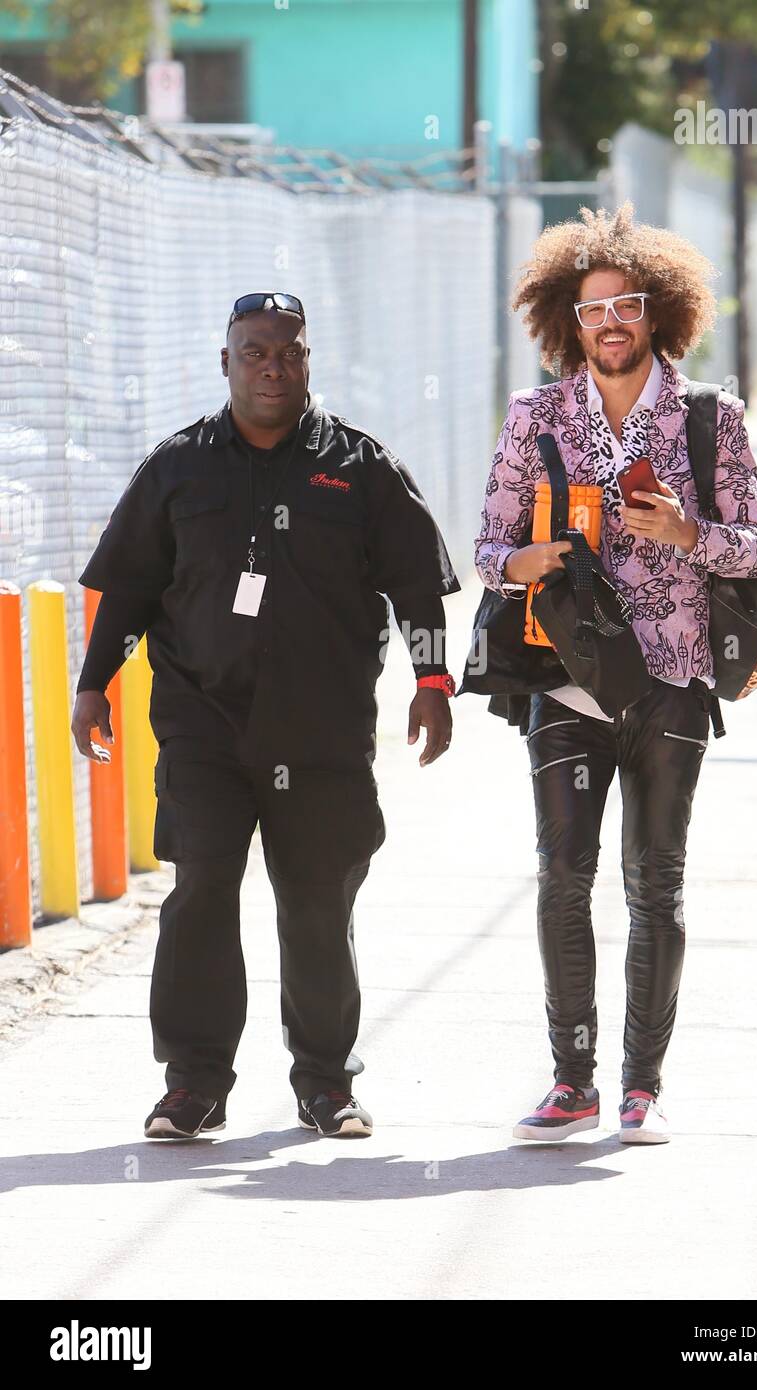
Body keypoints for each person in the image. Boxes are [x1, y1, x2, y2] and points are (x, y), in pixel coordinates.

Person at [72, 292, 459, 1140]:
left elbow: (416, 585)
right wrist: (93, 682)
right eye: (255, 353)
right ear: (226, 362)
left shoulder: (360, 467)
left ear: (309, 359)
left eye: (289, 352)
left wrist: (433, 680)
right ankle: (193, 1085)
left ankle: (325, 1081)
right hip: (203, 724)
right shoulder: (178, 468)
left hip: (322, 730)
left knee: (318, 903)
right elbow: (130, 588)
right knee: (202, 890)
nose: (273, 367)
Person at [474, 205, 757, 1144]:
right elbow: (487, 550)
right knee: (563, 877)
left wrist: (688, 534)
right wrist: (538, 557)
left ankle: (641, 1086)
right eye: (592, 309)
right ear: (568, 320)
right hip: (566, 684)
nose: (610, 323)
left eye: (628, 306)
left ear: (659, 314)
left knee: (657, 884)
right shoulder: (536, 419)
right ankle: (574, 1082)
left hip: (674, 681)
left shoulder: (708, 419)